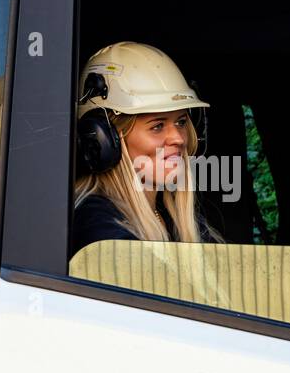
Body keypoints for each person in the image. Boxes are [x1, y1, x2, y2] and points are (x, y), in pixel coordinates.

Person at [72, 42, 217, 255]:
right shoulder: (98, 228)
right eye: (157, 126)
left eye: (181, 122)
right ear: (103, 138)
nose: (177, 138)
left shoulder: (172, 217)